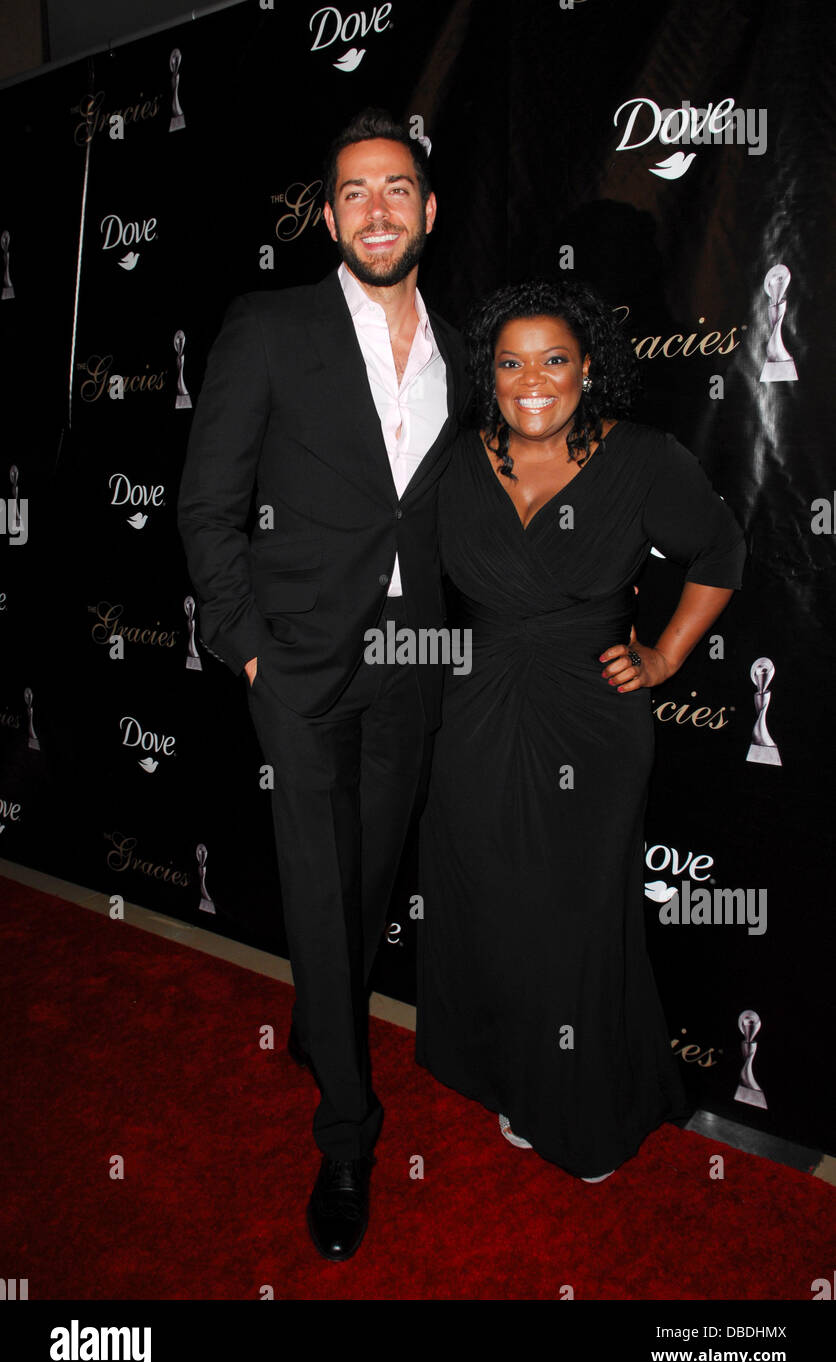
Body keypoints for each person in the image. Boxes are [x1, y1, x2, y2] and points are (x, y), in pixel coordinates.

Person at [177, 109, 468, 1260]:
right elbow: (207, 504)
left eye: (396, 189)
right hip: (297, 661)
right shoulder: (269, 327)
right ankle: (345, 1131)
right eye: (354, 193)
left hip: (413, 662)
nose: (377, 210)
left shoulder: (465, 343)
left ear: (427, 209)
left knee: (369, 876)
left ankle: (321, 1018)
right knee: (315, 878)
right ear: (329, 214)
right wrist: (246, 645)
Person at [416, 279, 746, 1181]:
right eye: (510, 361)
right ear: (487, 373)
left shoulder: (641, 459)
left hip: (591, 722)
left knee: (577, 917)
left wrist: (668, 657)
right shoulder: (450, 460)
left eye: (554, 360)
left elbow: (720, 551)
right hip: (474, 717)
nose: (532, 381)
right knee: (493, 908)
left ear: (587, 368)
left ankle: (590, 1115)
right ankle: (517, 1078)